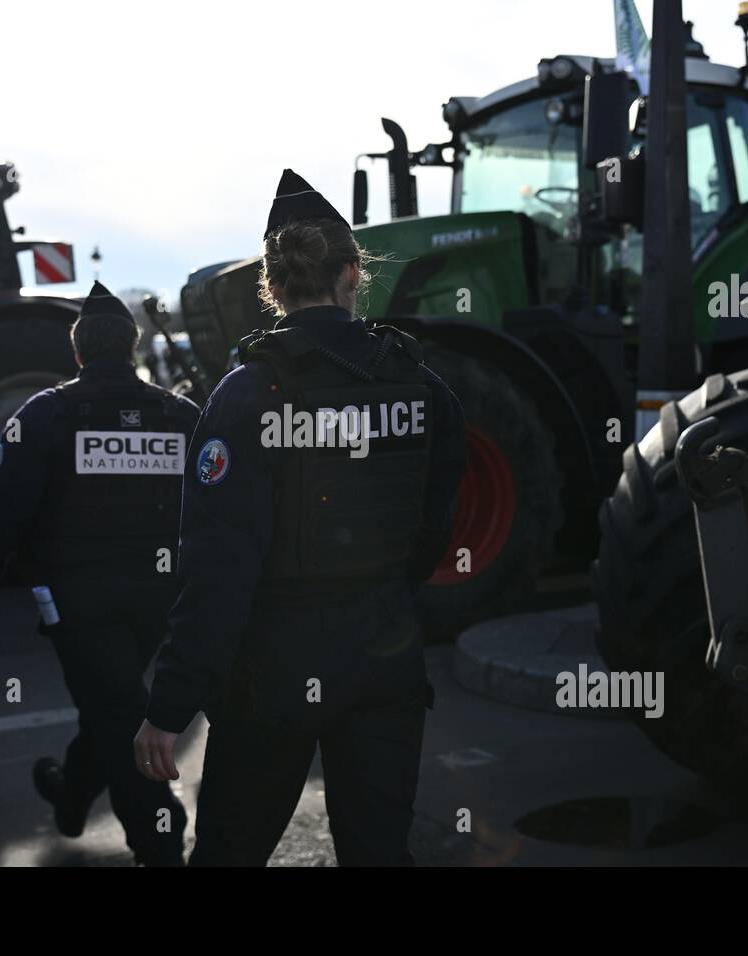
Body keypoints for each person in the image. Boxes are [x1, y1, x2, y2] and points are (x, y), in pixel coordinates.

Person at [134, 170, 467, 865]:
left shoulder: (248, 393)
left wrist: (171, 704)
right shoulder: (422, 384)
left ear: (274, 286)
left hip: (272, 676)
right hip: (384, 665)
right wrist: (380, 603)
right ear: (353, 273)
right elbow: (435, 528)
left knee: (228, 853)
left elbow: (218, 568)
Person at [0, 282, 199, 866]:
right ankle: (70, 796)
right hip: (161, 602)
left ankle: (160, 842)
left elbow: (2, 506)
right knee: (114, 705)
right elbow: (220, 505)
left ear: (79, 353)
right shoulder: (180, 415)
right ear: (132, 347)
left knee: (118, 713)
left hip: (77, 606)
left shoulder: (47, 413)